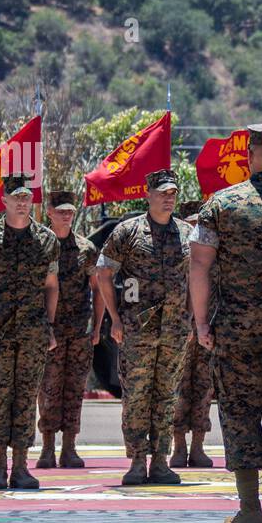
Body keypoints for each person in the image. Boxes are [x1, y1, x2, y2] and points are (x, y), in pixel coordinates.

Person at [191, 124, 262, 523]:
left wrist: (202, 322)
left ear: (251, 153)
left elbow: (199, 265)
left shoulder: (222, 204)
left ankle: (250, 510)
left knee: (240, 415)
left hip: (236, 331)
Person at [98, 169, 193, 486]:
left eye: (173, 193)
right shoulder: (128, 231)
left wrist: (191, 316)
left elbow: (197, 277)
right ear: (148, 194)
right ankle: (138, 461)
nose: (169, 198)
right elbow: (103, 272)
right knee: (137, 395)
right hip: (137, 330)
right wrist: (115, 316)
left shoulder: (186, 232)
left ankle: (161, 461)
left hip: (174, 331)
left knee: (166, 396)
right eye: (163, 192)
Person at [0, 174, 60, 490]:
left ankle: (21, 467)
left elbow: (51, 287)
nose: (22, 201)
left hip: (32, 333)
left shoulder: (47, 241)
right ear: (4, 200)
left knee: (25, 399)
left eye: (26, 196)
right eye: (16, 197)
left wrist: (48, 326)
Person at [36, 190, 103, 469]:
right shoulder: (39, 246)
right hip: (49, 331)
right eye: (60, 210)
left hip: (78, 331)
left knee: (74, 390)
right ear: (49, 213)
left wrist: (97, 327)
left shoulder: (86, 249)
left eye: (70, 211)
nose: (66, 215)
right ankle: (48, 447)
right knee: (48, 389)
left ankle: (70, 447)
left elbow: (97, 290)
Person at [172, 199, 217, 469]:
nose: (193, 229)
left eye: (197, 223)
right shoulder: (174, 252)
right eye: (189, 223)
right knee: (178, 387)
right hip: (179, 328)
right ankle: (178, 445)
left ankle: (198, 446)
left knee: (203, 387)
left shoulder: (210, 254)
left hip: (205, 325)